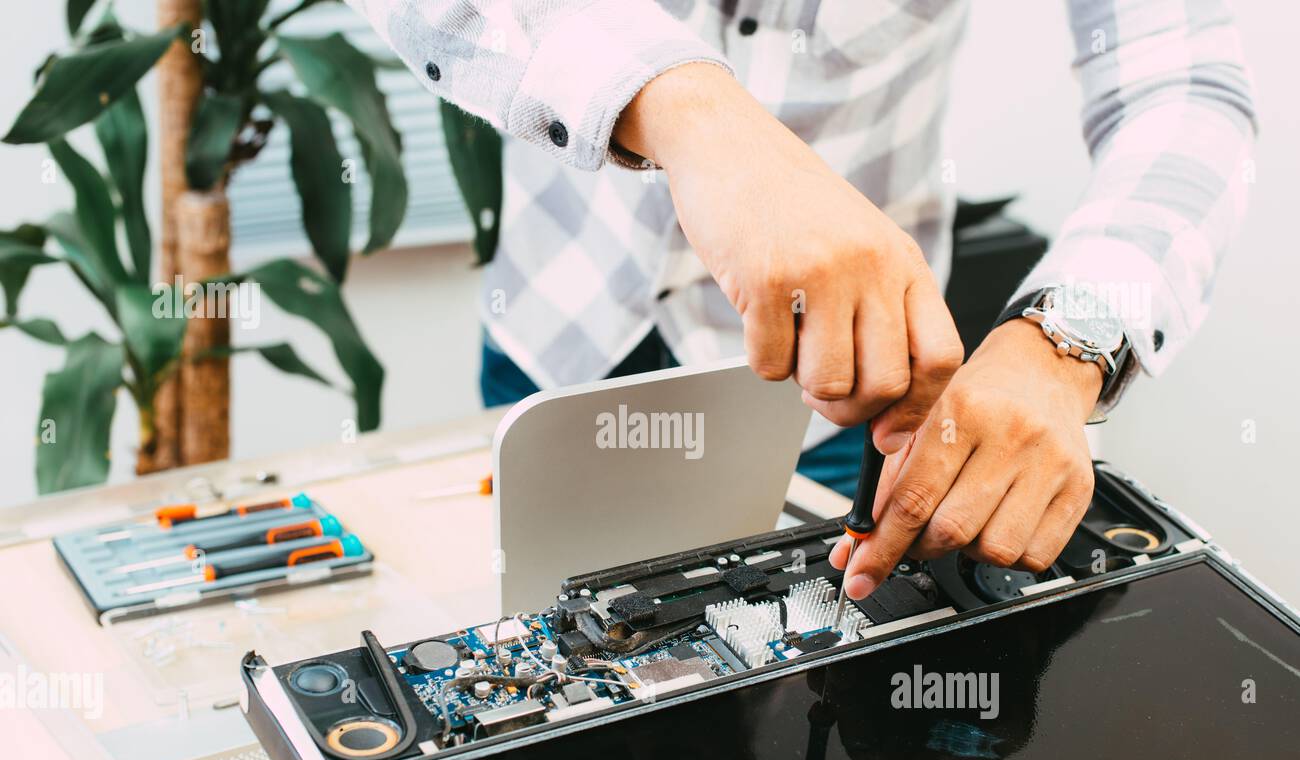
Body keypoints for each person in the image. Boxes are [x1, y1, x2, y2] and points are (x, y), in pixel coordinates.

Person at [345, 0, 1255, 600]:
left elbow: (1183, 84)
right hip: (559, 338)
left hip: (853, 407)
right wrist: (696, 118)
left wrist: (1065, 343)